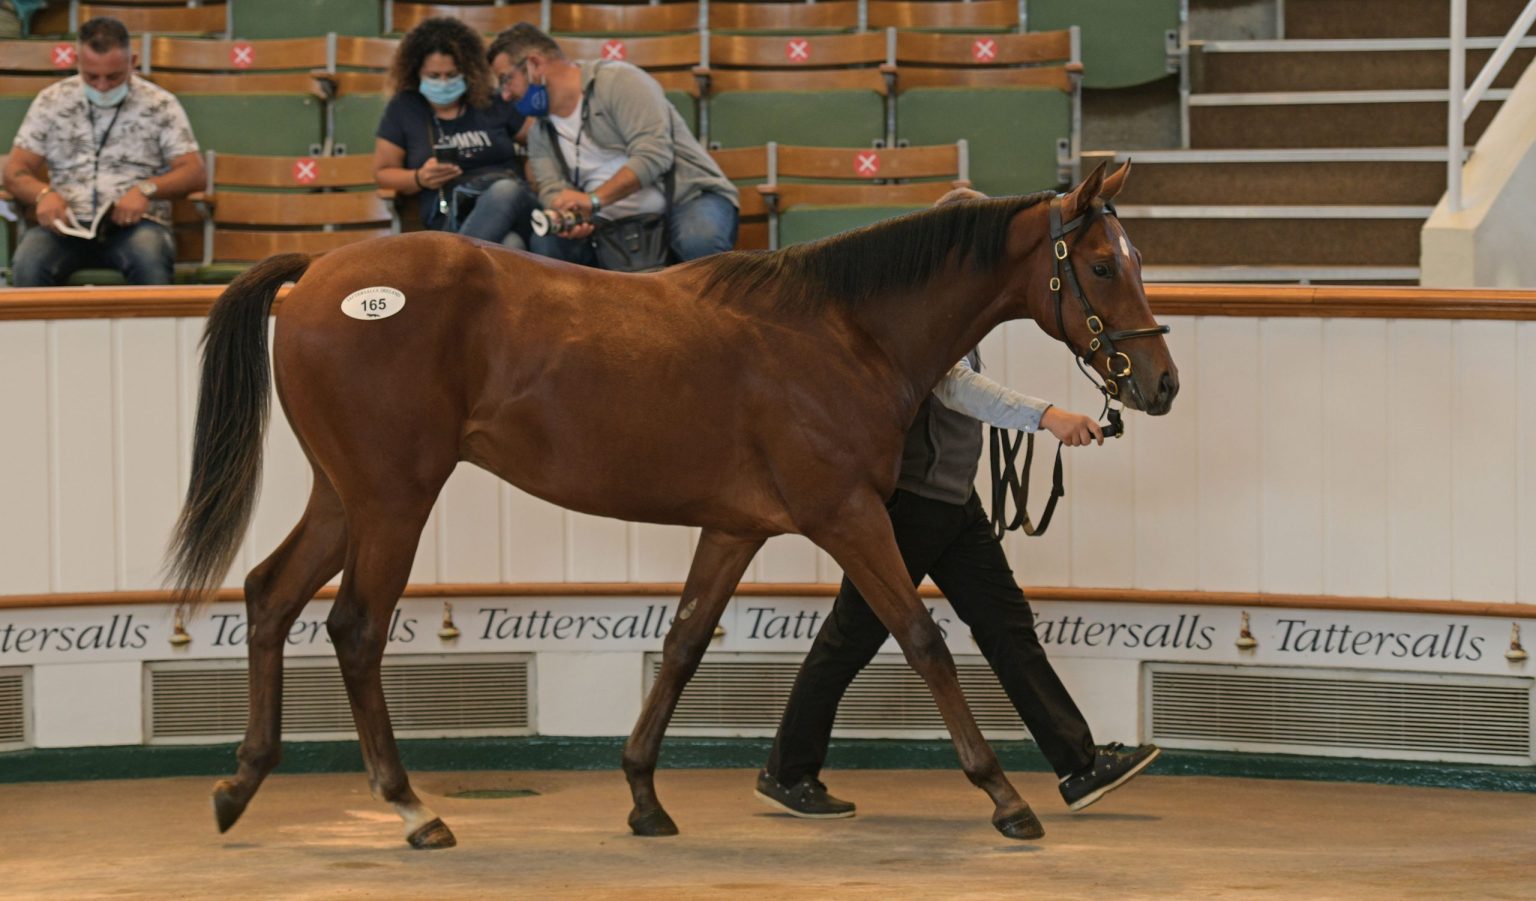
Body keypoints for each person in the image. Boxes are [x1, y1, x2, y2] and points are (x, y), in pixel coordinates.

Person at [756, 190, 1159, 819]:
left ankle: (1078, 764)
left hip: (951, 503)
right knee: (851, 637)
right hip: (914, 505)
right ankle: (787, 770)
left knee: (1007, 628)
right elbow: (955, 387)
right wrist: (1046, 415)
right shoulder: (912, 313)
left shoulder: (954, 312)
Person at [487, 23, 739, 267]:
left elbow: (654, 154)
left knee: (699, 240)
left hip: (686, 198)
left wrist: (594, 200)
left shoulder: (619, 81)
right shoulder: (539, 131)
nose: (506, 94)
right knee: (548, 244)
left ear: (534, 64)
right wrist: (567, 215)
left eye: (506, 79)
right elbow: (551, 187)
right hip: (603, 221)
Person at [3, 16, 204, 287]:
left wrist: (146, 189)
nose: (102, 86)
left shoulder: (160, 104)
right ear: (77, 61)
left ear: (132, 62)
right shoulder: (51, 101)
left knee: (149, 255)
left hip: (135, 226)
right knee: (29, 260)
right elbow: (15, 171)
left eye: (113, 77)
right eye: (91, 76)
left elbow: (194, 172)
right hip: (64, 226)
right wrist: (43, 194)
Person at [374, 16, 537, 249]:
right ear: (416, 72)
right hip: (452, 214)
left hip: (513, 201)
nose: (443, 82)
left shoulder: (492, 101)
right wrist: (419, 178)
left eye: (451, 75)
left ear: (468, 72)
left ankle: (452, 261)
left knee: (506, 190)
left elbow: (539, 139)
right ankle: (459, 259)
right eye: (434, 76)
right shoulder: (404, 108)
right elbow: (383, 172)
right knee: (511, 245)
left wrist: (532, 168)